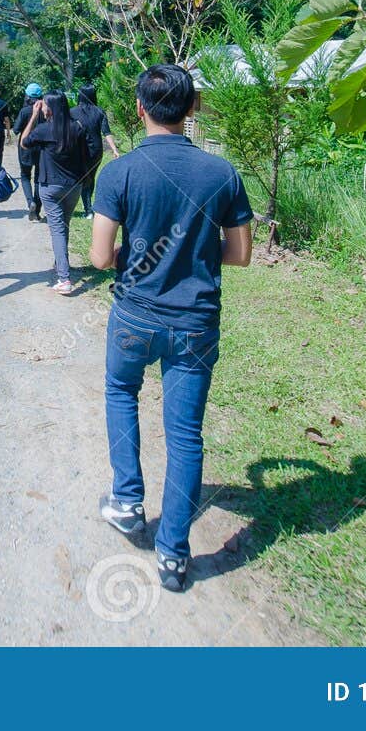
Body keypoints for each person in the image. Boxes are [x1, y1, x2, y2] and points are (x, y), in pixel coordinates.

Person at [88, 64, 253, 593]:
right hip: (196, 323)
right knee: (185, 434)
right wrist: (193, 254)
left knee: (121, 391)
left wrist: (127, 257)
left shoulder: (120, 172)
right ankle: (174, 555)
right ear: (192, 109)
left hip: (134, 315)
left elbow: (97, 256)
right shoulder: (221, 173)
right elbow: (242, 254)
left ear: (139, 109)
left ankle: (128, 501)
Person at [20, 90, 91, 294]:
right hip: (73, 186)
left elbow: (24, 142)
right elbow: (86, 156)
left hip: (50, 186)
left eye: (43, 106)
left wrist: (33, 115)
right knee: (63, 226)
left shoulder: (43, 130)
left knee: (58, 229)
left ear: (49, 108)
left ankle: (64, 278)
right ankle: (61, 264)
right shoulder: (77, 128)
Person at [72, 84, 120, 219]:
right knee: (90, 178)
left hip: (78, 149)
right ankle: (88, 208)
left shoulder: (72, 112)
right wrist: (114, 149)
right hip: (96, 150)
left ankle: (87, 208)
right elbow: (106, 132)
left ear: (80, 95)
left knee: (82, 178)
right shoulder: (100, 111)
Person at [14, 82, 45, 222]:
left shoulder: (25, 111)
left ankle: (30, 202)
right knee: (39, 178)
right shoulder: (45, 110)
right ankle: (37, 211)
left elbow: (15, 130)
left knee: (25, 176)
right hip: (42, 147)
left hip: (25, 147)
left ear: (27, 95)